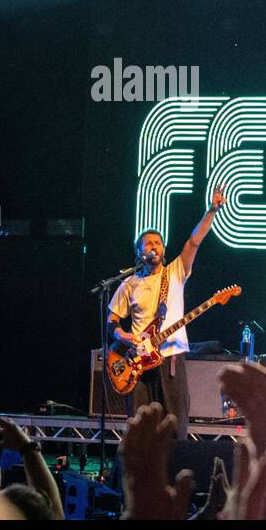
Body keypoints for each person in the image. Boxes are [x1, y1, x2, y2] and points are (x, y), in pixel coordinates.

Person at [107, 185, 226, 438]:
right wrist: (127, 338)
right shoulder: (129, 283)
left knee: (174, 426)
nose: (154, 246)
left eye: (158, 242)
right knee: (140, 429)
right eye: (148, 243)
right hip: (137, 364)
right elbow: (112, 322)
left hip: (170, 359)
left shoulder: (174, 273)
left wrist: (212, 211)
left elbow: (194, 242)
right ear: (139, 251)